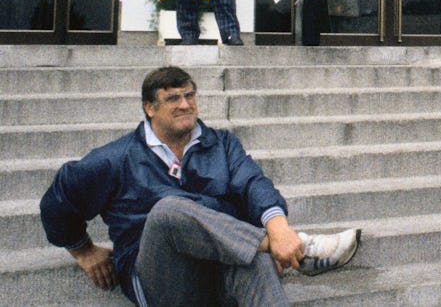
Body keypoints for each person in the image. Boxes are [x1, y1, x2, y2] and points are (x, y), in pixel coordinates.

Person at [39, 66, 358, 306]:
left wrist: (277, 225)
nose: (185, 104)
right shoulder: (116, 158)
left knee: (256, 259)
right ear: (150, 108)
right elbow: (58, 199)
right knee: (169, 211)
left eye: (189, 95)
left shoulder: (221, 144)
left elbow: (252, 183)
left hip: (222, 265)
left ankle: (271, 245)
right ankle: (296, 248)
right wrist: (82, 249)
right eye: (172, 98)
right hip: (162, 278)